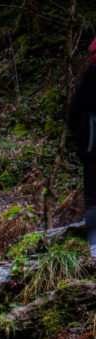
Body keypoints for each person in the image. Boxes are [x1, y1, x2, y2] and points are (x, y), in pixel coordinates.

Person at [68, 36, 96, 257]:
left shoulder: (91, 76)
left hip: (93, 148)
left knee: (93, 199)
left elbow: (75, 113)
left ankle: (95, 248)